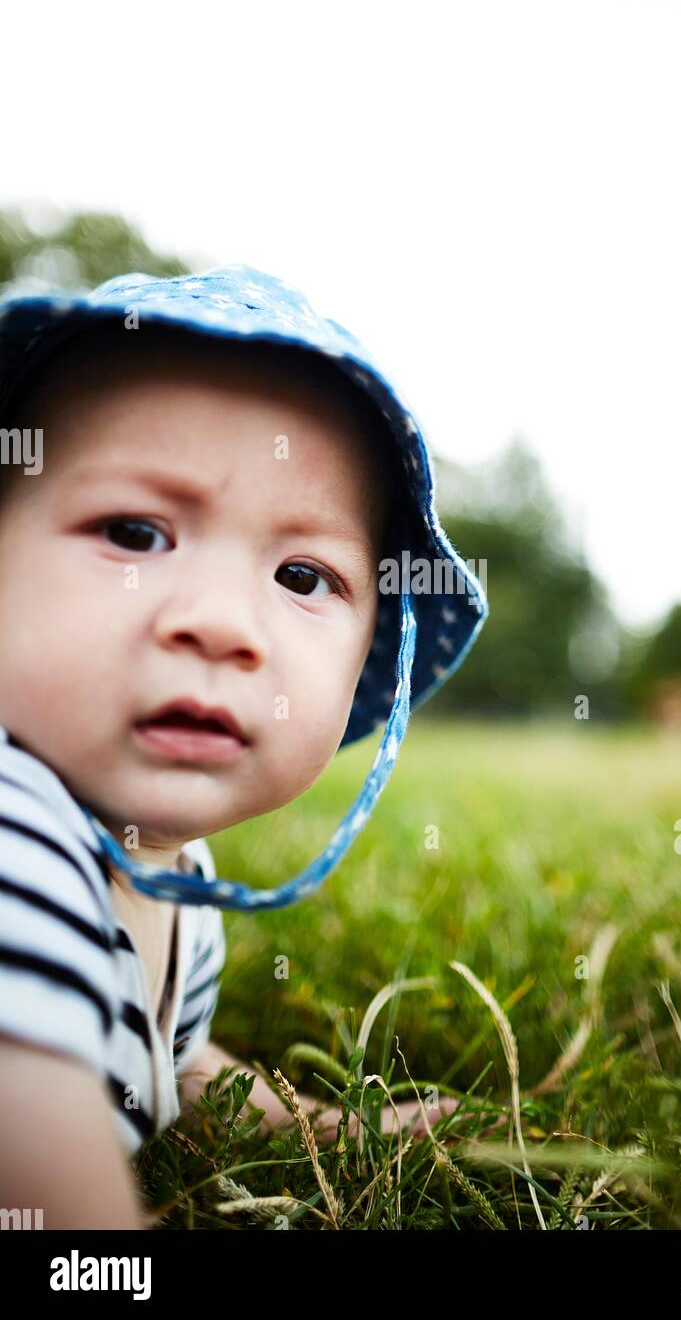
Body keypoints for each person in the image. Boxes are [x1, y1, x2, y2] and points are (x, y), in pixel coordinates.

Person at [0, 264, 489, 1229]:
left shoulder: (180, 885)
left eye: (303, 575)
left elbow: (168, 1069)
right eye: (136, 532)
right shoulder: (18, 844)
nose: (223, 626)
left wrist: (315, 1125)